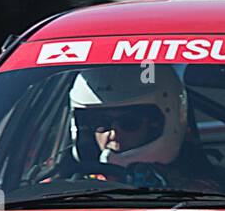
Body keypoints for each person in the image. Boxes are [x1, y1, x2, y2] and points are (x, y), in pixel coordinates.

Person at [55, 65, 215, 188]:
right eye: (101, 123)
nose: (113, 134)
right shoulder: (60, 190)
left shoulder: (201, 195)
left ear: (156, 125)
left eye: (129, 122)